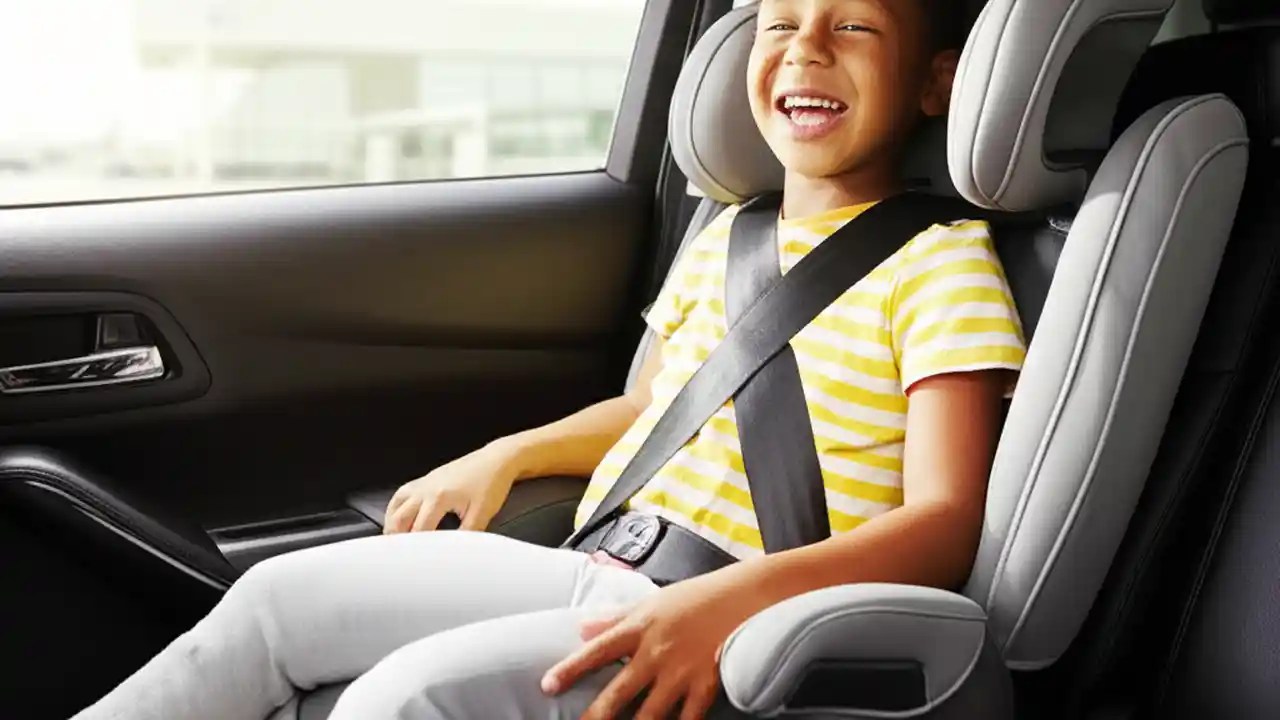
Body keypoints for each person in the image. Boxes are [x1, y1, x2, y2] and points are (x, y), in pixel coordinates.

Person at [74, 1, 1025, 718]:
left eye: (854, 26)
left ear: (937, 84)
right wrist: (510, 455)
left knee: (400, 701)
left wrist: (723, 610)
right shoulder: (733, 233)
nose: (806, 47)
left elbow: (944, 522)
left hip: (746, 626)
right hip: (603, 566)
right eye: (780, 21)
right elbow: (655, 405)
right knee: (277, 599)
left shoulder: (941, 262)